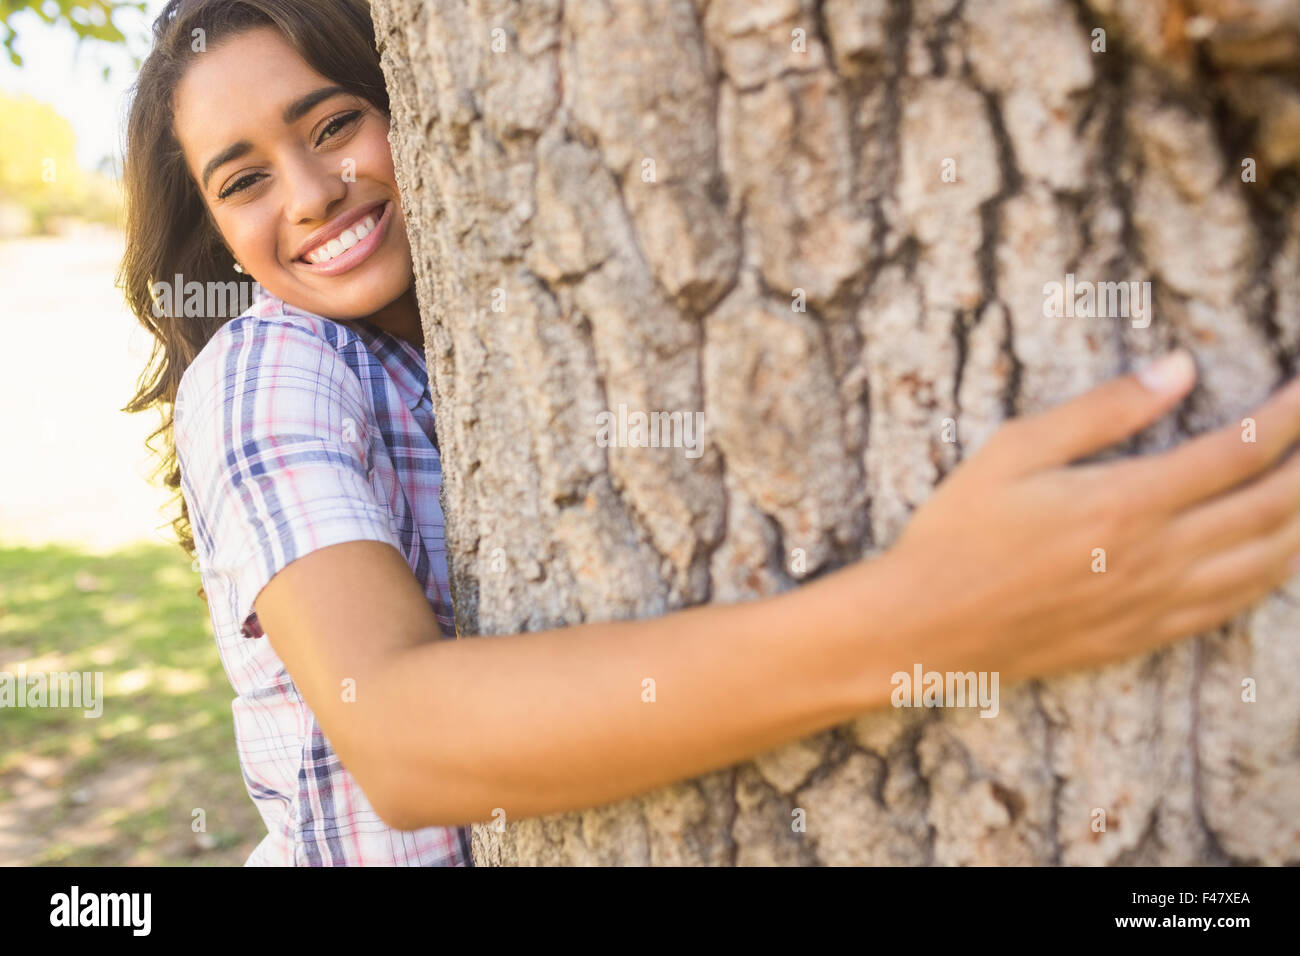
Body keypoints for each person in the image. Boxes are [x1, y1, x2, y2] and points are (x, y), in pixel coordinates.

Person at [120, 0, 1300, 866]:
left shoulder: (450, 350)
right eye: (244, 181)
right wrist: (937, 614)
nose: (312, 192)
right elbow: (404, 742)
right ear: (218, 235)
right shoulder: (267, 368)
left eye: (332, 122)